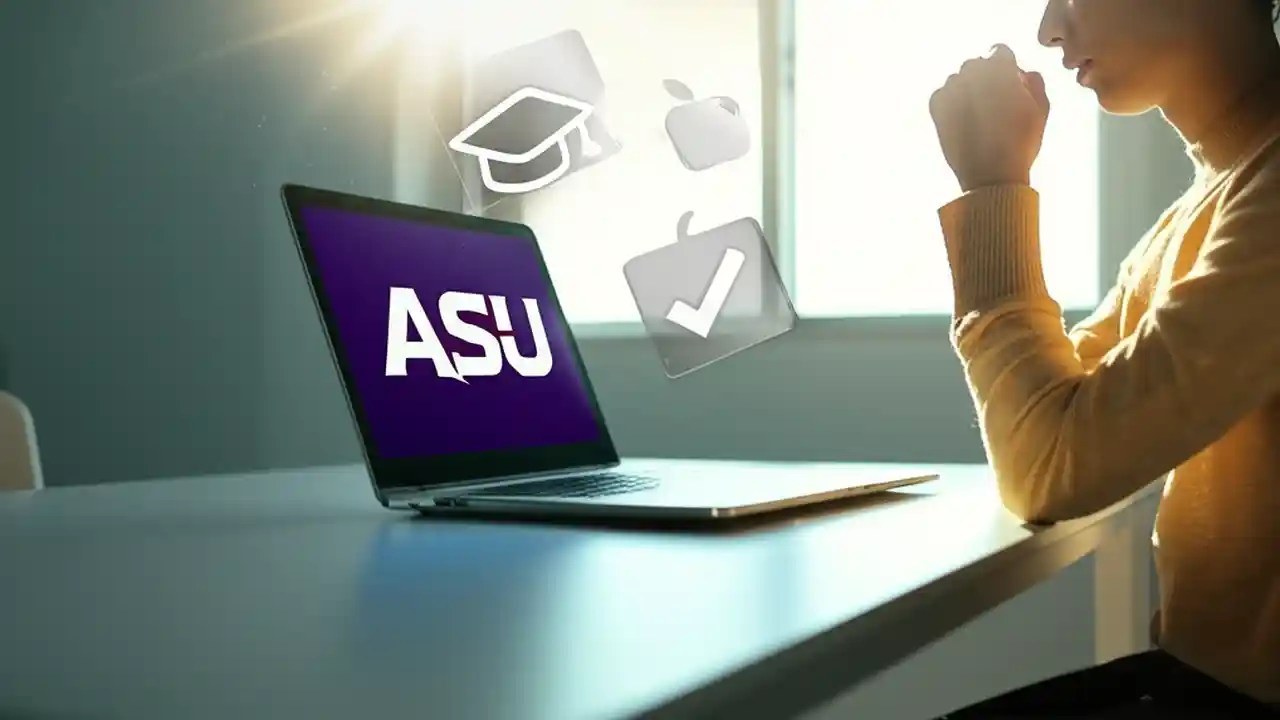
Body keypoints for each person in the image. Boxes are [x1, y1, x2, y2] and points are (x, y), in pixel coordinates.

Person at [926, 0, 1280, 717]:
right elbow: (1055, 413)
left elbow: (1048, 463)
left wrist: (994, 186)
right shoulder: (1209, 200)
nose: (1049, 29)